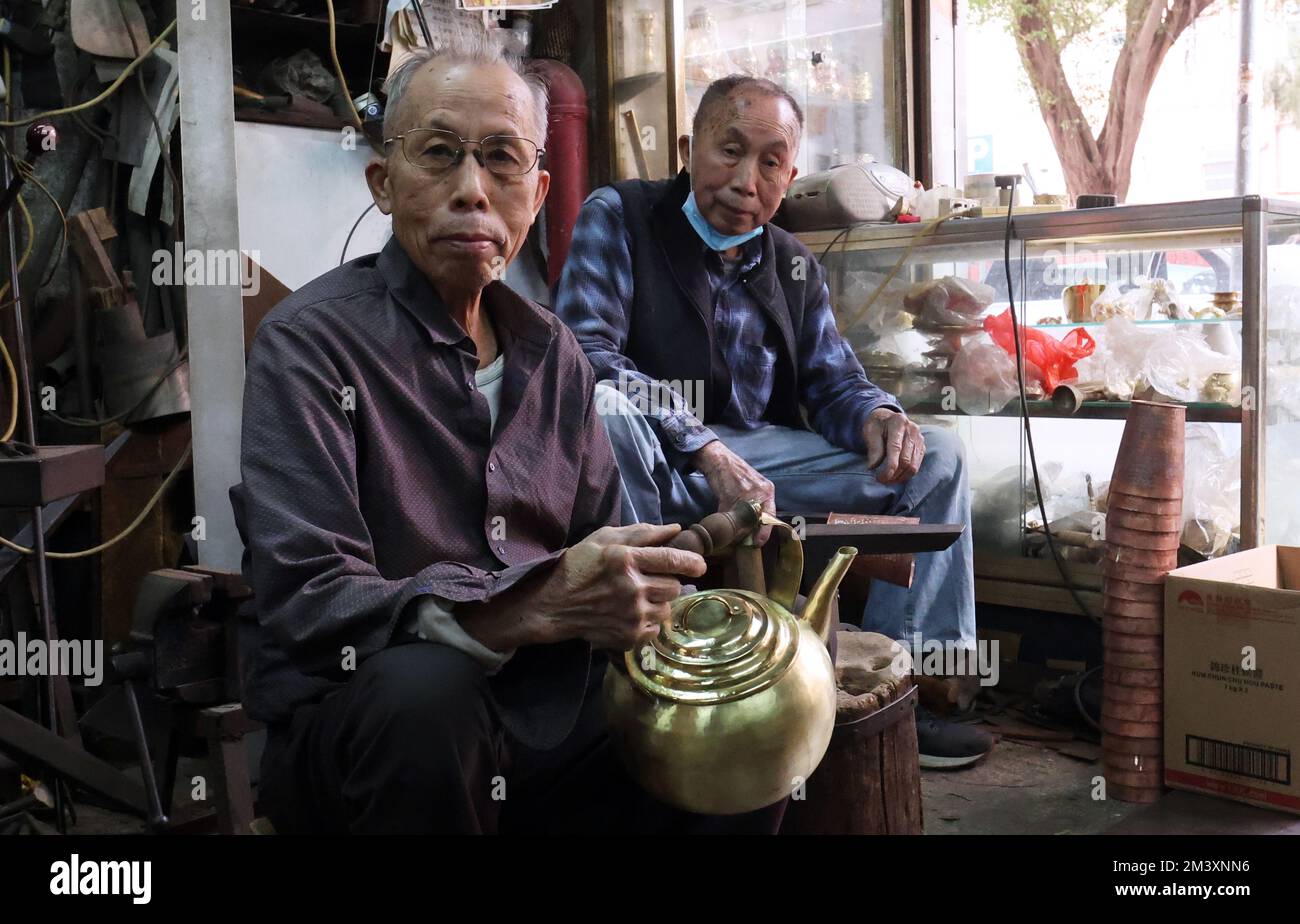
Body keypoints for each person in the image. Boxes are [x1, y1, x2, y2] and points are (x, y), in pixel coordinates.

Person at [229, 40, 786, 833]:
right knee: (426, 697)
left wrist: (642, 593)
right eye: (439, 155)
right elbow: (311, 598)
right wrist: (515, 612)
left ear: (538, 190)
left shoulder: (554, 354)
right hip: (371, 726)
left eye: (501, 160)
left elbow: (598, 545)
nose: (471, 191)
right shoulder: (310, 345)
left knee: (742, 721)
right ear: (383, 185)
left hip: (537, 711)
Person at [555, 74, 992, 769]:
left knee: (939, 456)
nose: (745, 179)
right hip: (650, 460)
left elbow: (831, 378)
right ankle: (652, 679)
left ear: (788, 177)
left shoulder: (790, 261)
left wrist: (878, 412)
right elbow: (586, 352)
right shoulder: (621, 216)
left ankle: (918, 691)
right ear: (687, 149)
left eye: (769, 162)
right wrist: (701, 445)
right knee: (606, 411)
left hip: (760, 470)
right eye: (729, 150)